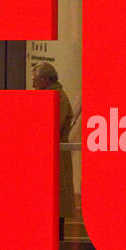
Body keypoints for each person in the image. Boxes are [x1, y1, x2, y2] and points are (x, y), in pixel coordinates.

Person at [31, 62, 77, 239]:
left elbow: (49, 127)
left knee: (55, 205)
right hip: (48, 156)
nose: (33, 84)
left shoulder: (56, 97)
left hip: (54, 158)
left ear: (45, 80)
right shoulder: (51, 96)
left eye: (35, 80)